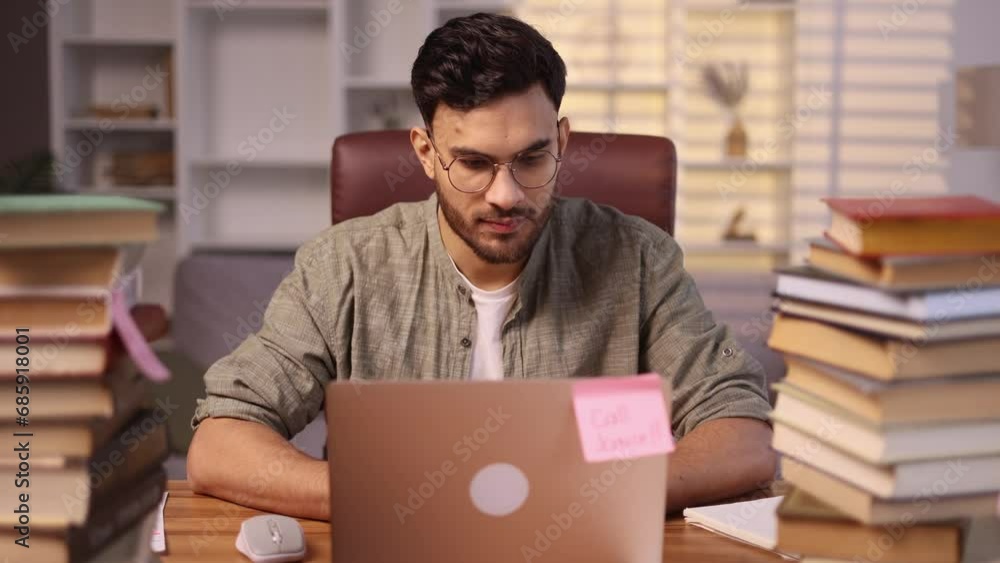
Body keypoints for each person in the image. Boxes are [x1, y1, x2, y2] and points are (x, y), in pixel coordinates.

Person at [186, 12, 776, 521]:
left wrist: (593, 495)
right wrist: (384, 499)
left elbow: (744, 433)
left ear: (562, 143)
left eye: (531, 157)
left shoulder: (640, 260)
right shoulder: (344, 265)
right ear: (425, 153)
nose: (506, 195)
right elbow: (221, 440)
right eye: (472, 163)